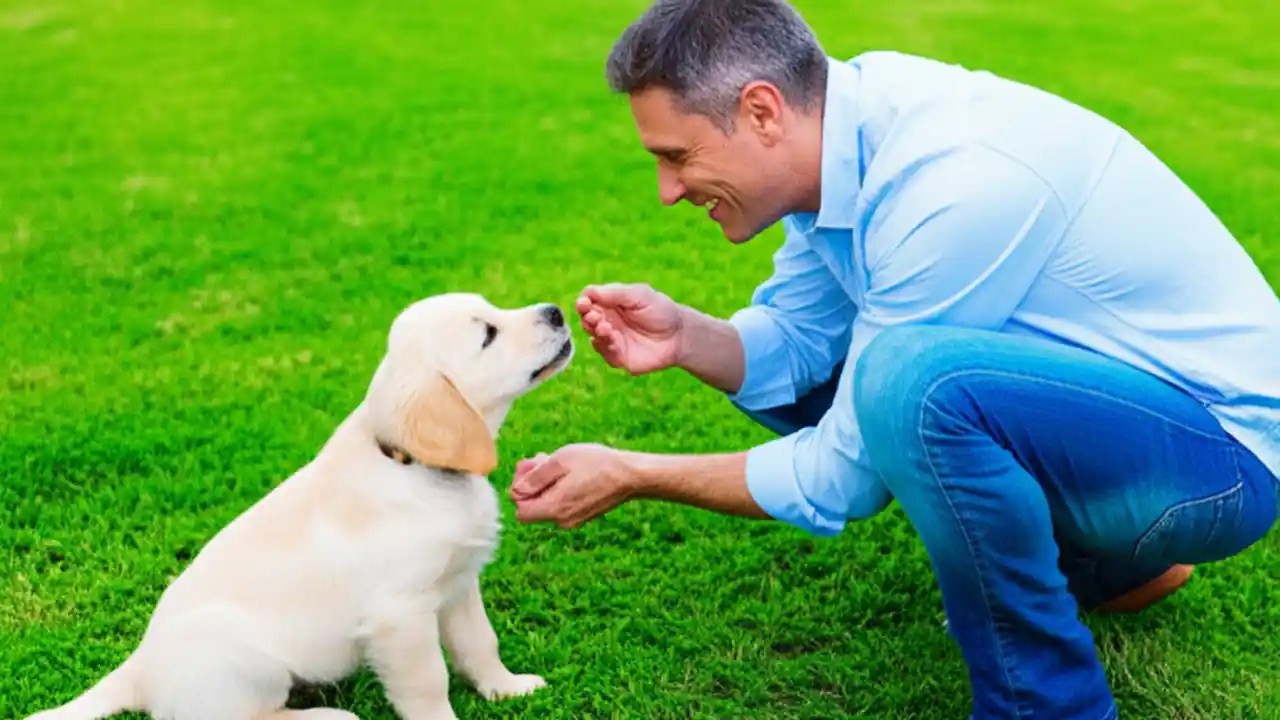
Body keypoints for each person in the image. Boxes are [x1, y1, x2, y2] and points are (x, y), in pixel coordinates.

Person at [508, 0, 1280, 717]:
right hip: (1130, 430)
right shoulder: (841, 139)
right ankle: (1113, 568)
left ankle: (1047, 704)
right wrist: (685, 338)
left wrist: (636, 473)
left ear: (761, 111)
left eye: (678, 157)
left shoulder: (951, 181)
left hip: (1221, 463)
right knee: (883, 379)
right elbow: (804, 350)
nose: (667, 191)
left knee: (912, 385)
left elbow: (840, 477)